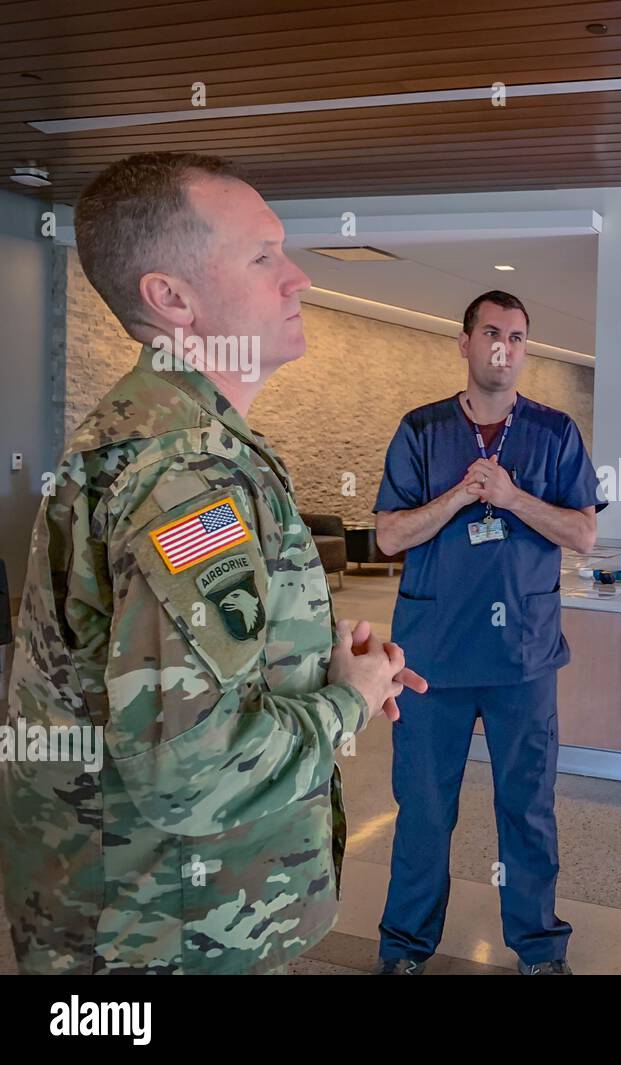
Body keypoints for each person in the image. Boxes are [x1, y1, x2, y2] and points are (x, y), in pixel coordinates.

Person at [0, 152, 424, 974]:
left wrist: (313, 660)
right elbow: (192, 770)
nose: (296, 277)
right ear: (171, 296)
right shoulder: (184, 471)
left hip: (150, 914)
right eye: (262, 255)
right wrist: (348, 702)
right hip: (164, 933)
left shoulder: (179, 440)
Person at [372, 290, 601, 975]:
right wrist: (459, 497)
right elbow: (387, 535)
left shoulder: (556, 433)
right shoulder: (421, 430)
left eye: (519, 336)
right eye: (493, 332)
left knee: (527, 810)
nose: (505, 346)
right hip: (430, 659)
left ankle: (538, 949)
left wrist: (510, 497)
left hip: (521, 657)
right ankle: (404, 947)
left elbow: (584, 533)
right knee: (423, 811)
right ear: (466, 342)